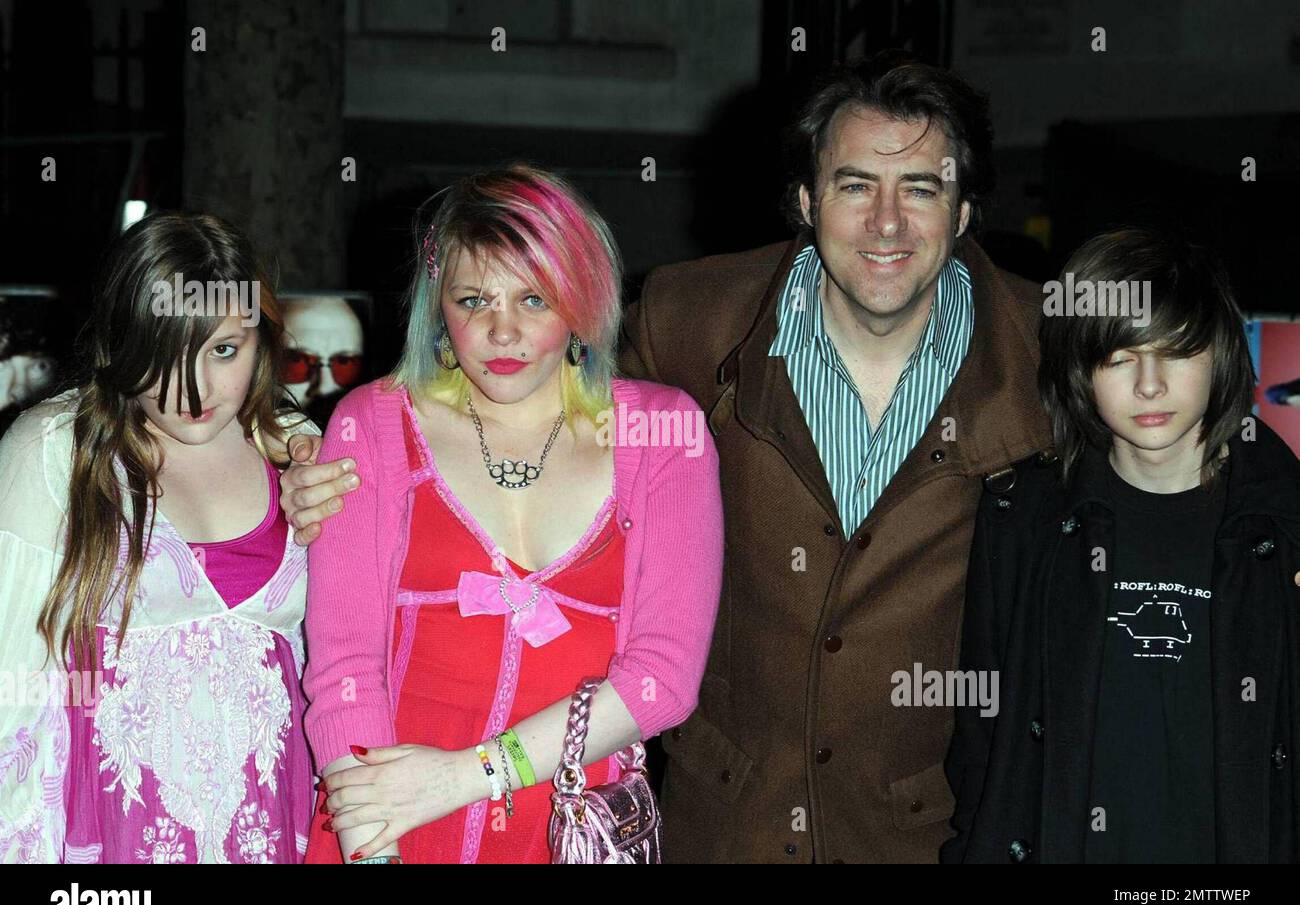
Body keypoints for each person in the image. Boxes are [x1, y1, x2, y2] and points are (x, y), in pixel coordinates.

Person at [280, 53, 1300, 863]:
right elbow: (520, 395)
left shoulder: (1047, 345)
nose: (888, 222)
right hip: (719, 824)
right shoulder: (689, 317)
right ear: (805, 200)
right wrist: (294, 440)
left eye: (921, 188)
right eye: (854, 185)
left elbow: (1202, 438)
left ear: (966, 208)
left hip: (924, 828)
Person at [300, 165, 723, 863]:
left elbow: (666, 678)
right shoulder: (373, 422)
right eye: (473, 300)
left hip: (568, 826)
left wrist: (464, 777)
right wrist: (375, 841)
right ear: (439, 308)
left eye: (534, 299)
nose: (502, 331)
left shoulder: (664, 432)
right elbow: (343, 665)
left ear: (583, 299)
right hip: (386, 822)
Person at [944, 228, 1300, 863]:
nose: (1150, 385)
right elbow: (980, 733)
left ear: (1219, 356)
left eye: (1177, 353)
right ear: (1079, 368)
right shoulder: (1020, 516)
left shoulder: (1283, 524)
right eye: (1120, 356)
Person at [0, 211, 318, 863]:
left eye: (224, 349)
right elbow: (10, 693)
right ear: (121, 342)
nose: (195, 387)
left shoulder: (294, 449)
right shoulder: (51, 451)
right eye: (165, 351)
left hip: (272, 835)